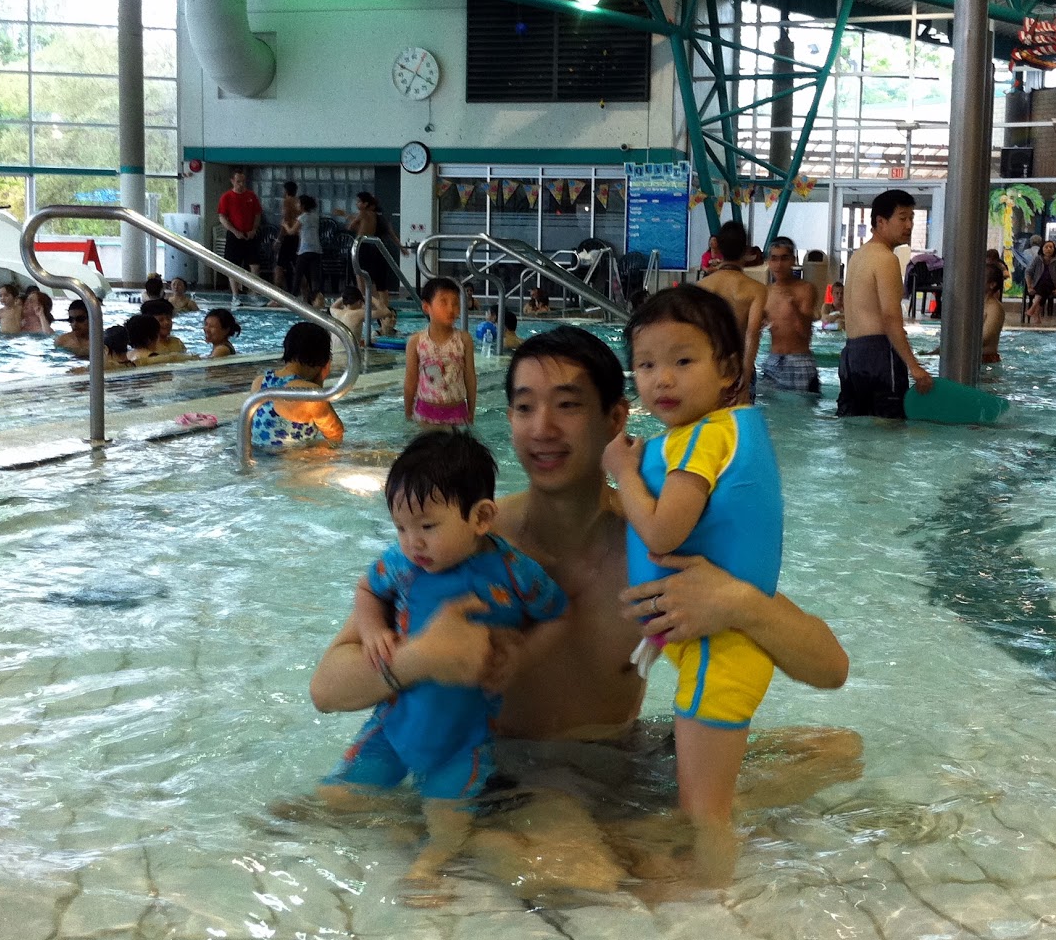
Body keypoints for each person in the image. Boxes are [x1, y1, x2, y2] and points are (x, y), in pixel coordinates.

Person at [309, 327, 852, 893]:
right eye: (524, 408)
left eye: (567, 406)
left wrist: (739, 602)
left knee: (835, 750)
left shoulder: (654, 549)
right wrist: (418, 658)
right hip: (508, 767)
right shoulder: (461, 545)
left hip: (620, 755)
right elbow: (327, 689)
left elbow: (830, 668)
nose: (542, 428)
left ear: (616, 420)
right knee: (583, 882)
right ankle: (544, 836)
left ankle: (622, 831)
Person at [319, 430, 568, 897]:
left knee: (448, 824)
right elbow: (367, 590)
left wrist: (522, 657)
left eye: (427, 526)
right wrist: (372, 630)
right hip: (393, 725)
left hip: (464, 740)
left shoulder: (515, 573)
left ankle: (425, 869)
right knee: (332, 802)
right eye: (401, 528)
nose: (413, 542)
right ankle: (395, 834)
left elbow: (556, 615)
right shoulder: (403, 565)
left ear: (481, 517)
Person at [601, 286, 783, 882]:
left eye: (684, 360)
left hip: (720, 651)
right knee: (707, 803)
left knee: (704, 812)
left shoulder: (706, 438)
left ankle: (710, 903)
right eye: (647, 364)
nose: (662, 379)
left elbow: (660, 532)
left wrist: (623, 472)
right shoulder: (701, 436)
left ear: (728, 368)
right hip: (716, 641)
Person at [838, 188, 933, 419]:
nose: (909, 225)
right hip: (879, 357)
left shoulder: (858, 256)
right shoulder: (886, 259)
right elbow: (890, 318)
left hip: (851, 356)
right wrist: (915, 367)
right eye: (902, 218)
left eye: (911, 218)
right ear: (881, 221)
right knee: (889, 435)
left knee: (855, 434)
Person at [697, 220, 767, 401]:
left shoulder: (701, 287)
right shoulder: (756, 290)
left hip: (707, 369)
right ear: (746, 250)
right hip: (738, 368)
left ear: (718, 247)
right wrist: (745, 372)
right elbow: (752, 333)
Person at [249, 322, 344, 452]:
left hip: (257, 456)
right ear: (322, 359)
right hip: (291, 463)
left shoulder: (259, 382)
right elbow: (336, 436)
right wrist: (320, 379)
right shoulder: (309, 394)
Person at [405, 277, 475, 428]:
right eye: (443, 302)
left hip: (457, 411)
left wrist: (471, 409)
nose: (451, 308)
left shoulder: (464, 340)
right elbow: (411, 380)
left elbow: (470, 377)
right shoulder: (416, 342)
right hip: (425, 413)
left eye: (455, 303)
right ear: (426, 307)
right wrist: (408, 412)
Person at [759, 237, 821, 395]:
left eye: (784, 258)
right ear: (768, 262)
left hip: (799, 361)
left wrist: (793, 306)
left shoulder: (805, 289)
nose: (779, 265)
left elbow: (805, 332)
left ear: (793, 260)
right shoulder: (765, 293)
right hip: (773, 361)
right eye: (774, 258)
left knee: (802, 413)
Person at [342, 191, 402, 302]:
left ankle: (364, 302)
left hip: (360, 246)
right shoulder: (376, 216)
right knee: (370, 278)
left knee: (360, 276)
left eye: (359, 202)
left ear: (365, 204)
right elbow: (390, 233)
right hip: (372, 246)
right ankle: (375, 303)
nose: (357, 204)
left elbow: (351, 227)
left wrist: (346, 217)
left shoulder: (363, 213)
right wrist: (402, 248)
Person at [217, 168, 264, 305]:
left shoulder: (251, 196)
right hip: (234, 235)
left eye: (243, 181)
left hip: (250, 235)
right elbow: (222, 218)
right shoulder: (226, 197)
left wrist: (254, 229)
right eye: (238, 182)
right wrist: (234, 231)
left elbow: (257, 214)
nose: (241, 184)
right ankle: (235, 296)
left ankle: (254, 294)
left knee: (254, 266)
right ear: (232, 181)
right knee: (233, 266)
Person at [1025, 238, 1056, 325]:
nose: (1048, 249)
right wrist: (1029, 286)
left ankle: (1033, 309)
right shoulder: (1037, 259)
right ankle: (1036, 313)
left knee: (1045, 285)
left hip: (1052, 285)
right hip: (1037, 284)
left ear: (1054, 249)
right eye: (1046, 247)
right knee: (1043, 287)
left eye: (1051, 247)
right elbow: (1028, 272)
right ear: (1042, 249)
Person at [293, 194, 324, 301]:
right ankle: (315, 298)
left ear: (302, 206)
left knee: (298, 274)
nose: (296, 205)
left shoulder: (301, 218)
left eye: (298, 203)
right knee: (314, 277)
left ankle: (293, 296)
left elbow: (292, 231)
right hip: (316, 250)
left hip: (304, 251)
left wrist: (285, 225)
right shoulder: (315, 217)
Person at [276, 181, 303, 293]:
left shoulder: (287, 202)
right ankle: (303, 294)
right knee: (297, 267)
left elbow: (285, 221)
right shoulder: (299, 203)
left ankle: (277, 294)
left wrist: (278, 239)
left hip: (288, 237)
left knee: (279, 267)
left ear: (285, 191)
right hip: (298, 237)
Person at [982, 261, 1006, 365]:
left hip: (987, 361)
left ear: (992, 284)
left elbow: (986, 338)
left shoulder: (994, 308)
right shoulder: (977, 306)